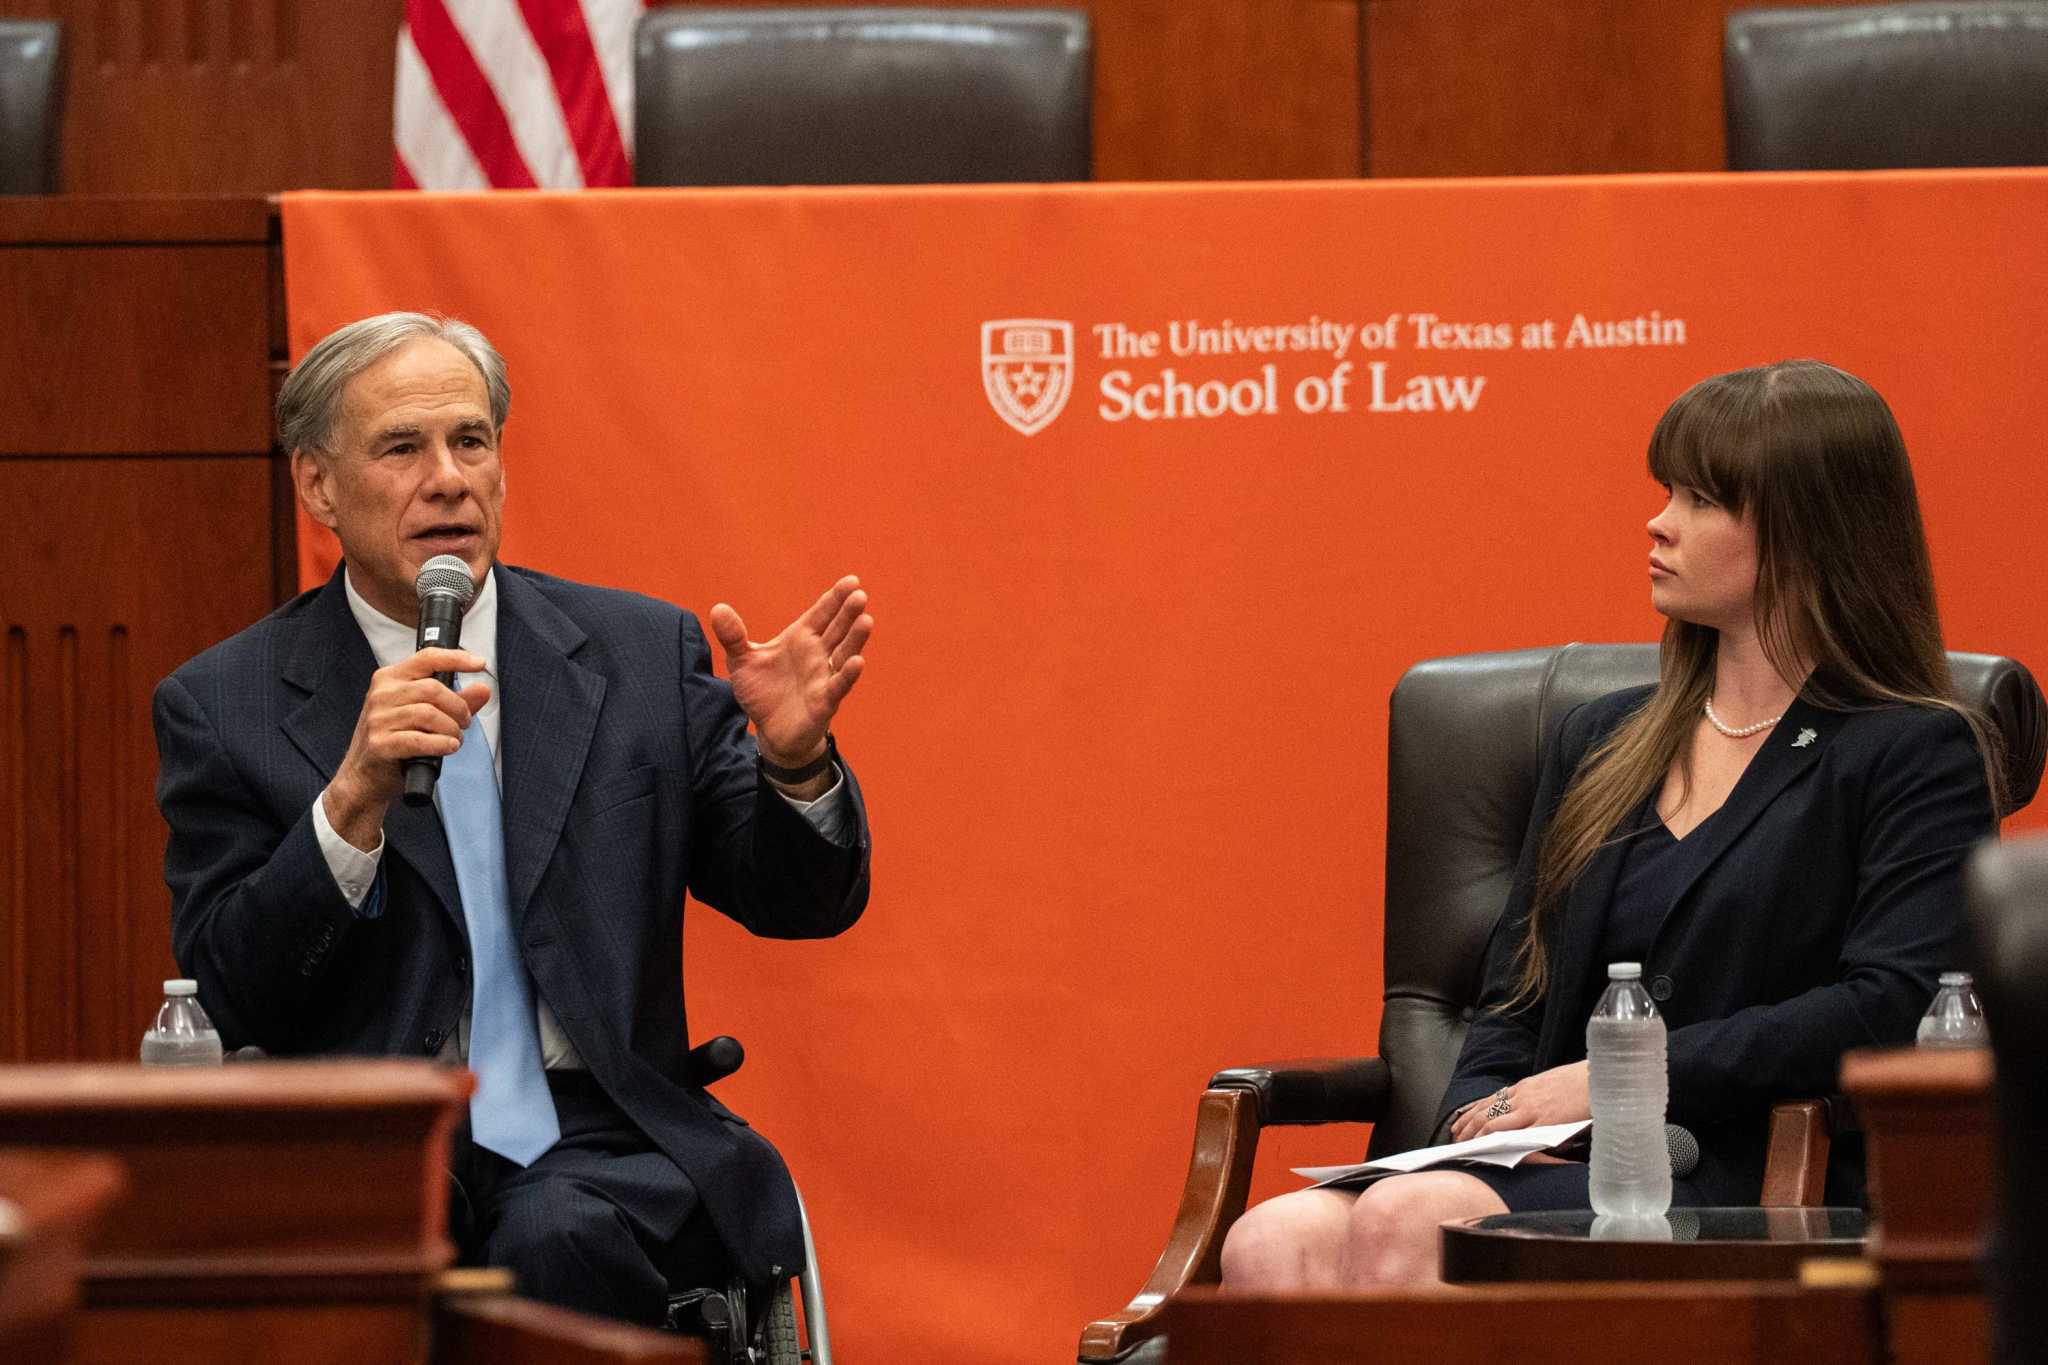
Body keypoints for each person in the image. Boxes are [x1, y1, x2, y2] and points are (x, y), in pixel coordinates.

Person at [152, 312, 874, 1325]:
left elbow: (800, 902)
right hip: (372, 1145)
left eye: (471, 441)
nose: (447, 479)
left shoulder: (636, 655)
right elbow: (233, 993)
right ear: (317, 486)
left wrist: (793, 765)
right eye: (401, 448)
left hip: (603, 1135)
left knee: (557, 1236)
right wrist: (350, 802)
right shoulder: (224, 704)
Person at [1220, 359, 2002, 1291]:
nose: (1659, 522)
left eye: (1701, 499)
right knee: (1268, 1241)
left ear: (1809, 530)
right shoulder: (1600, 738)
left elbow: (1895, 1001)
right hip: (1558, 1159)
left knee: (1405, 1225)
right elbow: (1514, 993)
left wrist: (1628, 1076)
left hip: (1745, 1171)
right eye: (1666, 492)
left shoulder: (1911, 750)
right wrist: (1483, 1123)